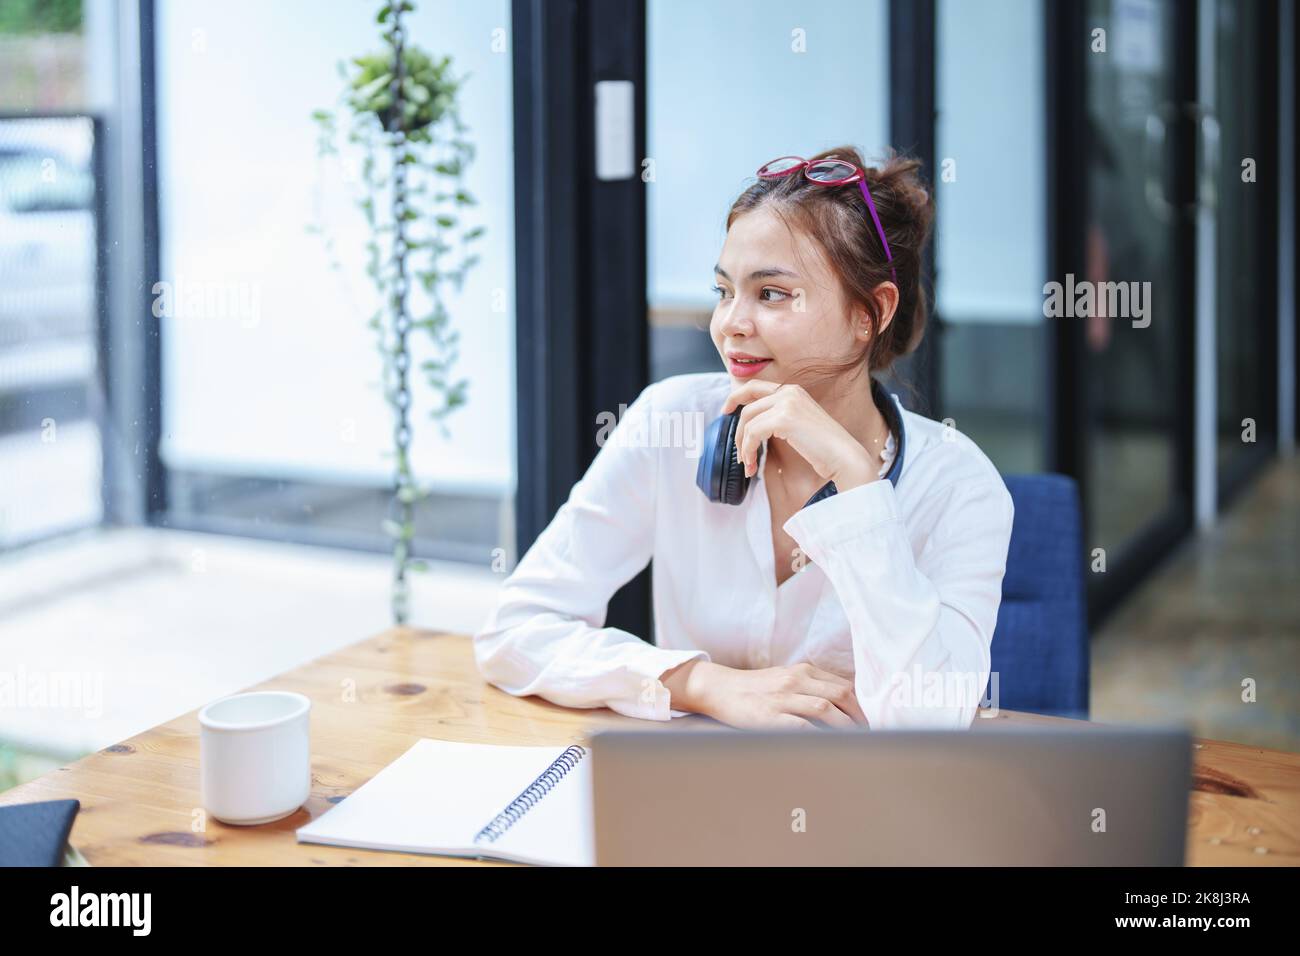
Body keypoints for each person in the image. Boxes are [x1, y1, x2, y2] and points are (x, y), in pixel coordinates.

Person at [474, 145, 1015, 730]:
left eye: (772, 294)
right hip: (699, 790)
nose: (731, 323)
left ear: (871, 313)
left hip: (862, 802)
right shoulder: (672, 422)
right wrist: (704, 684)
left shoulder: (961, 485)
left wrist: (859, 488)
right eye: (724, 291)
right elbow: (516, 629)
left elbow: (932, 719)